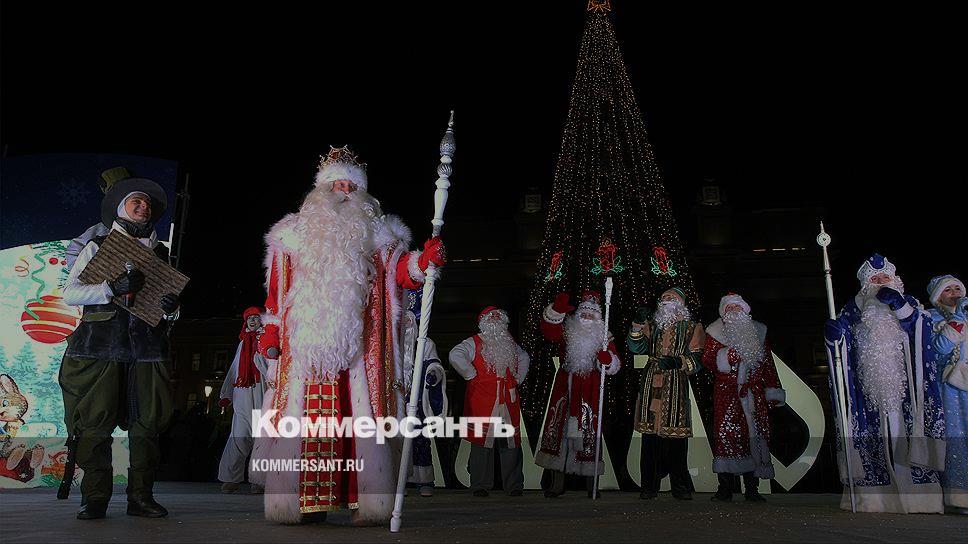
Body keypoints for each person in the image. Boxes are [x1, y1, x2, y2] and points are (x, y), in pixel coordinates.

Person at [256, 145, 445, 525]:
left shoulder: (381, 236)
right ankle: (305, 503)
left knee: (362, 418)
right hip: (306, 346)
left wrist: (424, 262)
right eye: (335, 184)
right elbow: (275, 291)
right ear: (319, 190)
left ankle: (366, 502)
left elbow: (403, 275)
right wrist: (271, 331)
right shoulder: (291, 236)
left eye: (349, 185)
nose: (342, 191)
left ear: (361, 192)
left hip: (364, 347)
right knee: (307, 420)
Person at [60, 175, 179, 520]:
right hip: (99, 348)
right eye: (135, 202)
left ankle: (140, 497)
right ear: (120, 207)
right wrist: (110, 287)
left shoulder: (160, 252)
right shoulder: (97, 245)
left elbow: (168, 307)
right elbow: (70, 293)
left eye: (147, 204)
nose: (143, 207)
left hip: (146, 351)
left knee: (147, 426)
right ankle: (95, 497)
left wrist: (172, 308)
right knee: (94, 426)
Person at [824, 254, 944, 513]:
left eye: (884, 278)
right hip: (868, 391)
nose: (880, 283)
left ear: (895, 280)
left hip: (905, 389)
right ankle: (875, 499)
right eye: (874, 279)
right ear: (866, 285)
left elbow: (922, 329)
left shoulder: (908, 303)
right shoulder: (853, 308)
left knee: (906, 434)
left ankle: (919, 499)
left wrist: (901, 307)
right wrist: (833, 337)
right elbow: (840, 345)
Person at [535, 291, 620, 498]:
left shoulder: (604, 337)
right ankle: (556, 482)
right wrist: (556, 311)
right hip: (565, 387)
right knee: (559, 433)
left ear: (598, 317)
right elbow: (549, 332)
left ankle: (592, 483)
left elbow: (614, 363)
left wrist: (606, 359)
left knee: (589, 434)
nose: (587, 317)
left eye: (592, 315)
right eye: (584, 313)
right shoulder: (567, 330)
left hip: (590, 390)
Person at [701, 293, 785, 502]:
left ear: (745, 311)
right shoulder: (714, 332)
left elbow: (768, 365)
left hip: (753, 394)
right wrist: (727, 356)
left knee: (754, 437)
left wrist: (773, 389)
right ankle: (726, 487)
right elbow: (708, 360)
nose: (733, 312)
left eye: (737, 308)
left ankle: (752, 487)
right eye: (729, 309)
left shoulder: (758, 332)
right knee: (726, 437)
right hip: (726, 394)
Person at [627, 287, 705, 500]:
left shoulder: (692, 328)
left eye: (671, 297)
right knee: (650, 440)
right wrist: (636, 325)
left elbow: (698, 359)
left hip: (675, 384)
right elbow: (636, 346)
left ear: (681, 302)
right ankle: (648, 487)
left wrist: (678, 362)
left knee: (676, 442)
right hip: (651, 383)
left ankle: (680, 488)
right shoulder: (652, 326)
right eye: (663, 298)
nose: (666, 300)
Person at [449, 306, 530, 497]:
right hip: (482, 399)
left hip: (507, 399)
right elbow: (455, 354)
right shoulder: (473, 342)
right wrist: (470, 374)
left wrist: (518, 377)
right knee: (481, 444)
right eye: (491, 317)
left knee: (510, 443)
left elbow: (524, 357)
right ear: (483, 322)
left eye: (498, 317)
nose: (495, 320)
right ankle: (480, 484)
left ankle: (514, 485)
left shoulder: (509, 343)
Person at [217, 307, 276, 494]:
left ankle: (259, 480)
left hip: (261, 390)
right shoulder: (243, 343)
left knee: (262, 437)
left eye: (256, 318)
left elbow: (271, 364)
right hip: (242, 393)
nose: (252, 321)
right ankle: (230, 478)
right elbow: (235, 367)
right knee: (239, 435)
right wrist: (225, 394)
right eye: (249, 318)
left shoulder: (265, 338)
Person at [926, 275, 968, 513]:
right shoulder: (933, 320)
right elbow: (940, 349)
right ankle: (961, 499)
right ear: (938, 296)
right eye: (948, 290)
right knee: (957, 443)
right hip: (951, 389)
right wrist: (958, 318)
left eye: (957, 289)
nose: (954, 293)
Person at [401, 289, 448, 497]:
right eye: (405, 322)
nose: (408, 326)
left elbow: (435, 365)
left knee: (420, 439)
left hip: (417, 399)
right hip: (396, 398)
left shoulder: (425, 344)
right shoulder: (393, 343)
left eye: (411, 321)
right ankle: (399, 481)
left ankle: (425, 480)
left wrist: (432, 375)